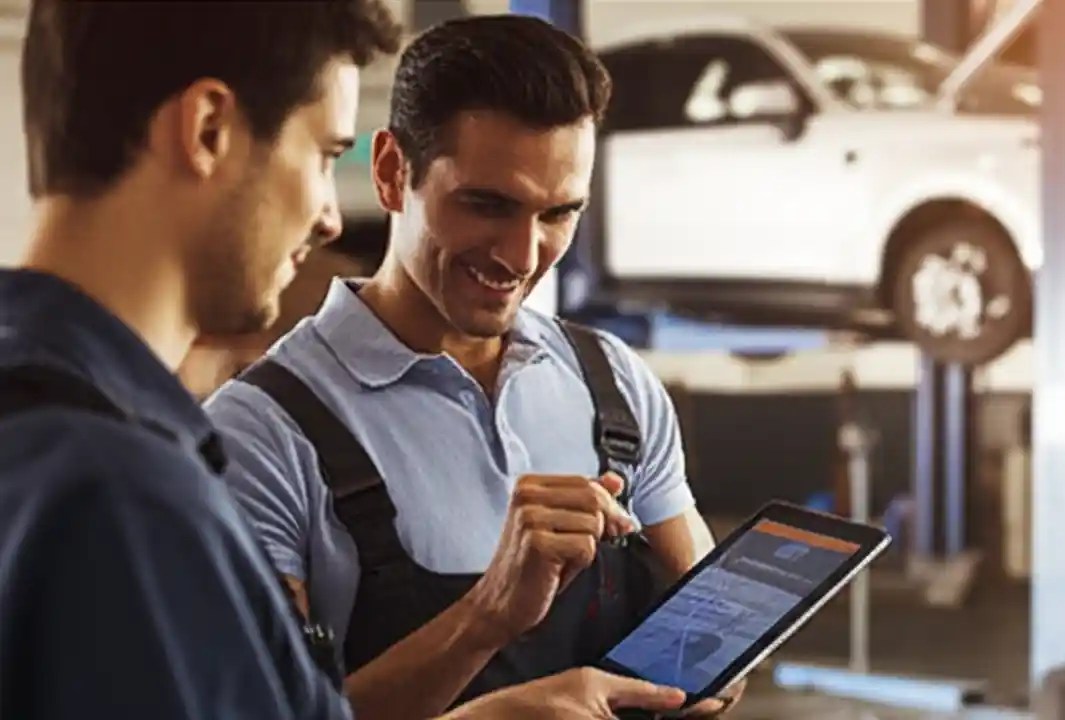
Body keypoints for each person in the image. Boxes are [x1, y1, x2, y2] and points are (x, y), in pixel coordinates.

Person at [0, 2, 686, 719]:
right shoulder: (122, 491)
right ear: (208, 129)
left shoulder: (74, 448)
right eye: (325, 154)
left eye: (557, 213)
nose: (330, 216)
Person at [203, 14, 745, 720]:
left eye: (558, 213)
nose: (523, 256)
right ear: (394, 172)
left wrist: (714, 675)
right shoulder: (258, 436)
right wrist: (488, 616)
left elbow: (718, 665)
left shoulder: (614, 384)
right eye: (488, 205)